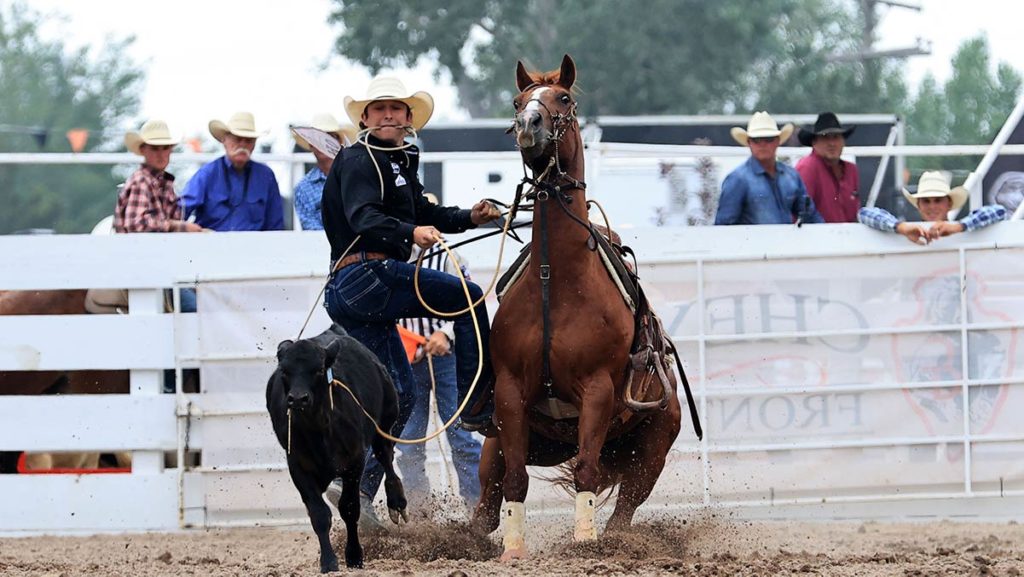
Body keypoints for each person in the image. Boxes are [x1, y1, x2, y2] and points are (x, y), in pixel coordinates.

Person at [320, 76, 500, 525]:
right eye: (378, 109)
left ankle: (355, 489)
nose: (387, 115)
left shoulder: (399, 160)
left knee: (398, 395)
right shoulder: (360, 159)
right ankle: (478, 403)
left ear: (407, 119)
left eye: (395, 109)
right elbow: (365, 216)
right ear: (365, 118)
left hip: (352, 289)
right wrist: (408, 233)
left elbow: (425, 213)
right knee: (470, 298)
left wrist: (469, 218)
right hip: (366, 275)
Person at [394, 223, 482, 515]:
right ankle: (420, 513)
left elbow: (468, 300)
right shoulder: (392, 255)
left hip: (445, 359)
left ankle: (477, 509)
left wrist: (445, 332)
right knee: (408, 445)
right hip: (409, 359)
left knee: (461, 437)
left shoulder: (448, 256)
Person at [715, 111, 824, 225]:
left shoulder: (791, 176)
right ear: (749, 143)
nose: (763, 144)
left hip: (785, 242)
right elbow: (724, 226)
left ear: (777, 141)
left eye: (768, 139)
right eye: (757, 140)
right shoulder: (737, 179)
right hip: (753, 242)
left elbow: (810, 215)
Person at [181, 112, 284, 231]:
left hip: (254, 247)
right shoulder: (207, 174)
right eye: (238, 139)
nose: (243, 145)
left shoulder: (266, 176)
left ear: (255, 143)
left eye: (249, 140)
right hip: (212, 246)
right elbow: (181, 212)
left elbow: (275, 225)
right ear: (224, 140)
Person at [858, 171, 1007, 243]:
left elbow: (999, 211)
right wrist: (901, 228)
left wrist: (958, 227)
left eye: (937, 200)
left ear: (949, 203)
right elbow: (864, 214)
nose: (932, 206)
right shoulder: (910, 229)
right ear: (919, 205)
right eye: (926, 201)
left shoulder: (962, 227)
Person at [293, 113, 355, 231]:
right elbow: (311, 229)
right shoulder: (303, 189)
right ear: (311, 144)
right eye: (318, 138)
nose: (323, 143)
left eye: (330, 137)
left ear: (340, 143)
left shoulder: (358, 177)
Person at [795, 112, 861, 223]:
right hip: (817, 238)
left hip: (848, 236)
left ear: (843, 142)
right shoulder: (807, 168)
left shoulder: (851, 170)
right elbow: (800, 214)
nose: (832, 143)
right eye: (825, 137)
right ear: (814, 142)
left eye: (836, 137)